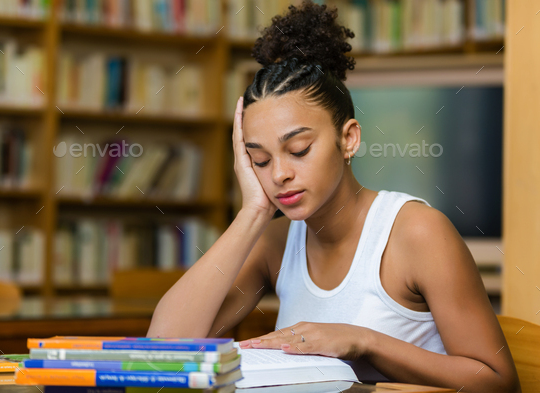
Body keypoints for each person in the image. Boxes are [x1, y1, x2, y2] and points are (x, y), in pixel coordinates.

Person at [147, 1, 520, 392]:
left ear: (349, 139)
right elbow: (163, 352)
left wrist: (364, 342)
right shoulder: (275, 242)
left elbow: (498, 382)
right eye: (259, 159)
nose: (278, 174)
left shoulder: (417, 233)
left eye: (299, 150)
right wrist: (253, 212)